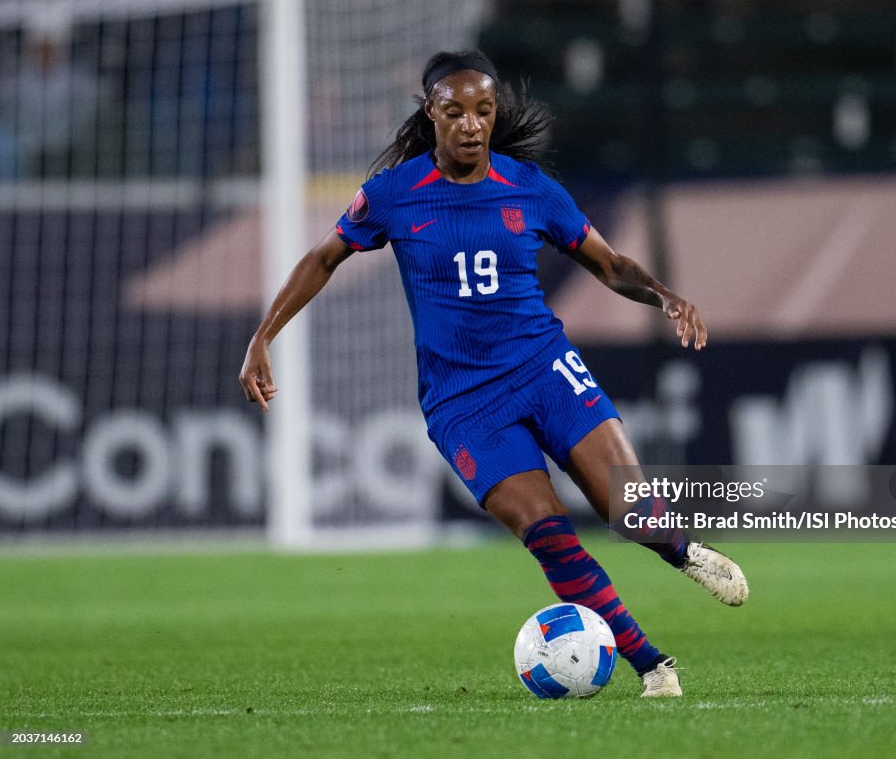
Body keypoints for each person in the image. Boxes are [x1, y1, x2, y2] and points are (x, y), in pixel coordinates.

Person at [240, 50, 748, 698]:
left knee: (628, 509)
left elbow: (608, 263)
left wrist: (663, 294)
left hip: (544, 367)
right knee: (548, 532)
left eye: (483, 110)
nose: (472, 124)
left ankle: (683, 551)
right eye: (455, 112)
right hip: (463, 403)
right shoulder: (394, 195)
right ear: (431, 115)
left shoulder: (529, 186)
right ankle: (653, 665)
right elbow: (323, 257)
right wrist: (263, 336)